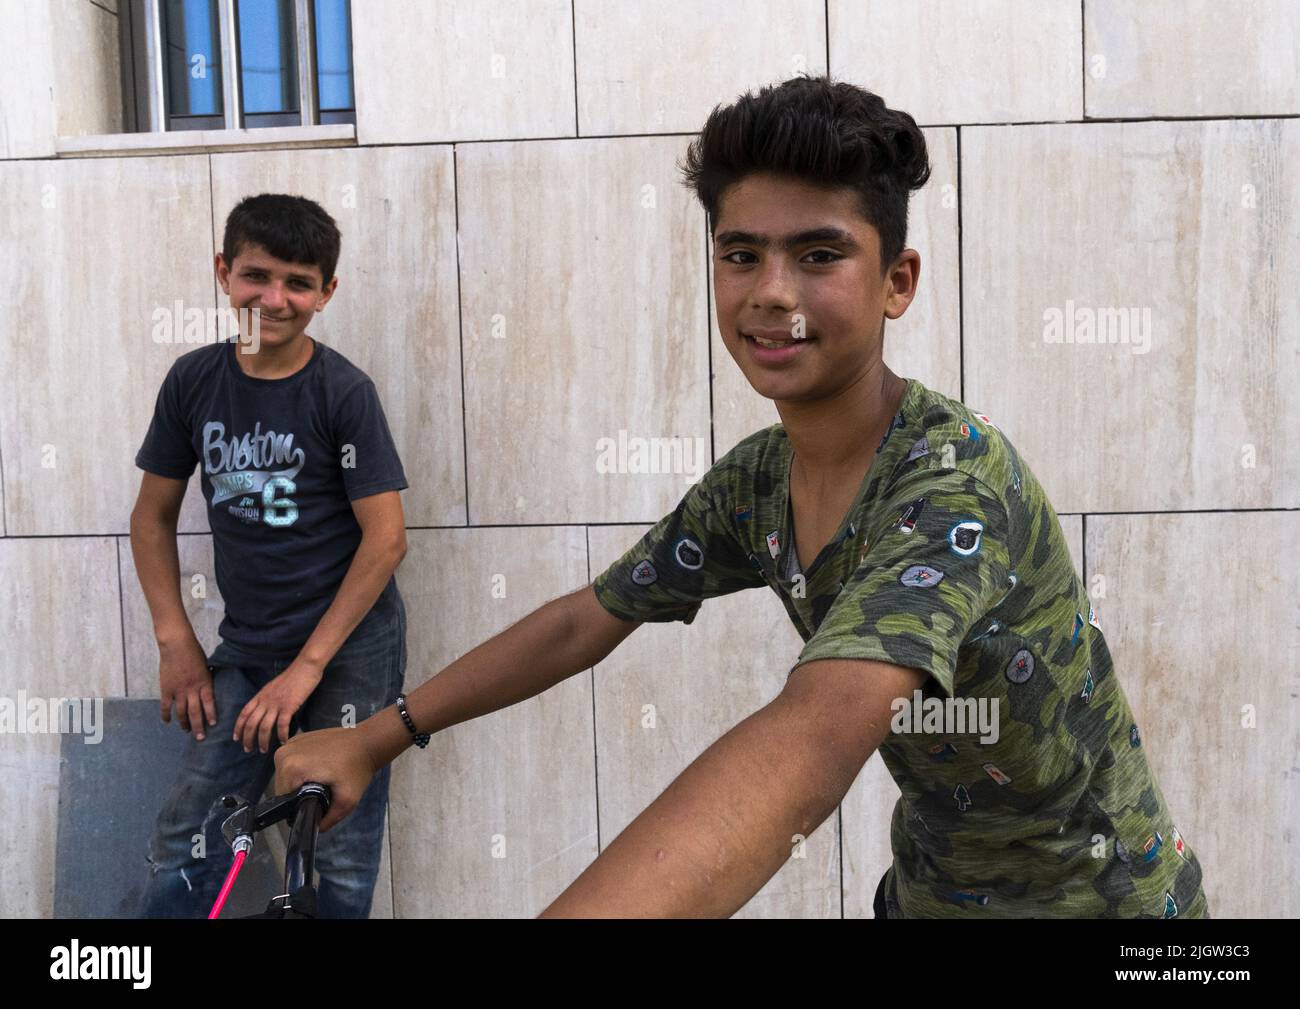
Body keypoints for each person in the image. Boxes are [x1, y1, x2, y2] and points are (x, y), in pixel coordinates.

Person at [274, 77, 1209, 918]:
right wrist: (376, 737)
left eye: (818, 255)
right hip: (936, 894)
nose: (772, 293)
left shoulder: (954, 487)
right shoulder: (758, 483)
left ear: (898, 283)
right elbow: (588, 618)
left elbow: (815, 737)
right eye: (741, 255)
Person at [131, 193, 410, 918]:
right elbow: (152, 515)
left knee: (334, 843)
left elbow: (386, 540)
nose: (275, 298)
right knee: (191, 828)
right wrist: (175, 640)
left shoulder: (342, 392)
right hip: (250, 648)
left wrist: (307, 670)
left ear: (327, 291)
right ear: (223, 273)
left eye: (299, 282)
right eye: (257, 275)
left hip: (350, 647)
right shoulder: (194, 382)